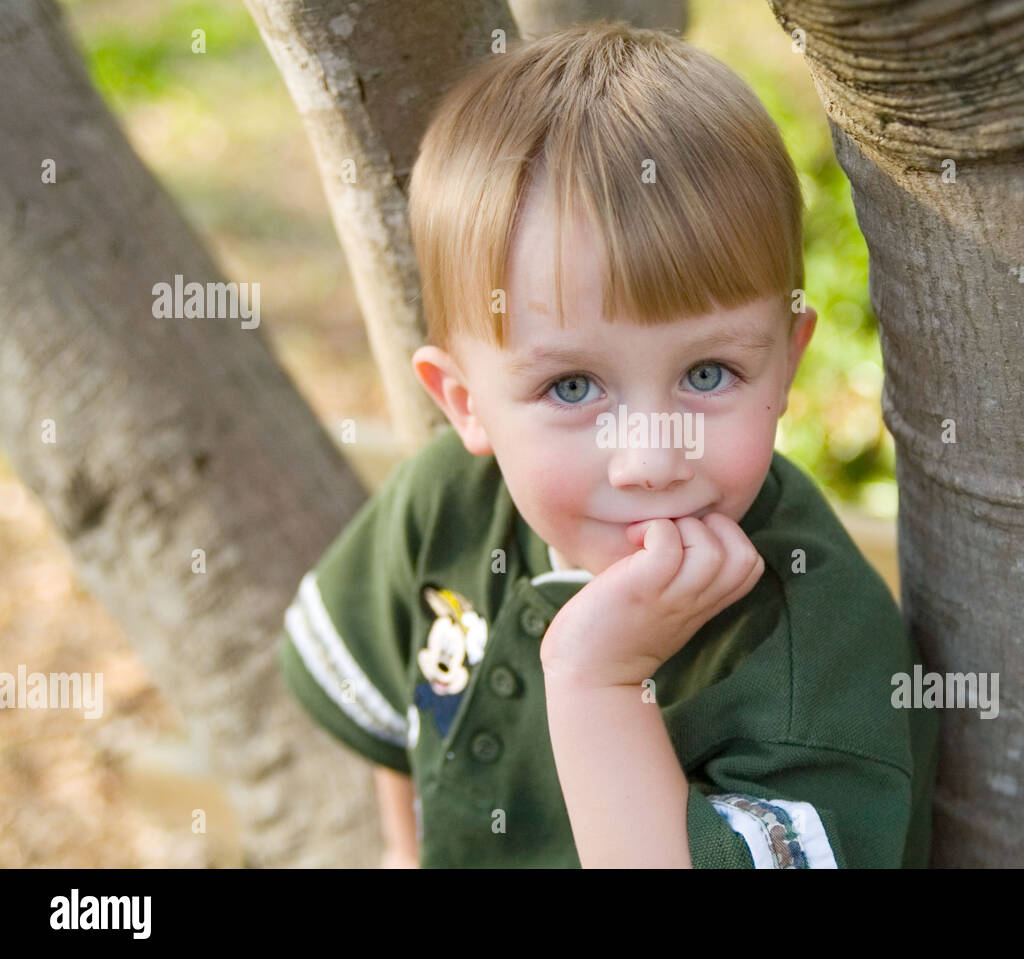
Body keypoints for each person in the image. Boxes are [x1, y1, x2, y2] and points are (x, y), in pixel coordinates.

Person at [277, 19, 937, 868]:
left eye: (707, 374)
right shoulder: (448, 503)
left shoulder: (818, 654)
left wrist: (599, 680)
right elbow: (399, 722)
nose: (652, 461)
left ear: (787, 362)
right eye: (573, 387)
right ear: (464, 402)